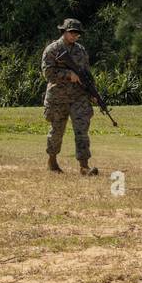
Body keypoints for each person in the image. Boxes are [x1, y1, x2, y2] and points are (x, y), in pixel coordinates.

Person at [41, 18, 98, 175]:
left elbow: (86, 74)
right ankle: (52, 161)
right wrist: (68, 74)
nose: (75, 36)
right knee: (57, 130)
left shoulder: (81, 51)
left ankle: (84, 166)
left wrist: (93, 92)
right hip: (58, 98)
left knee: (82, 130)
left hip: (79, 97)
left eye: (77, 34)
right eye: (72, 32)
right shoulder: (52, 49)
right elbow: (47, 73)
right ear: (64, 31)